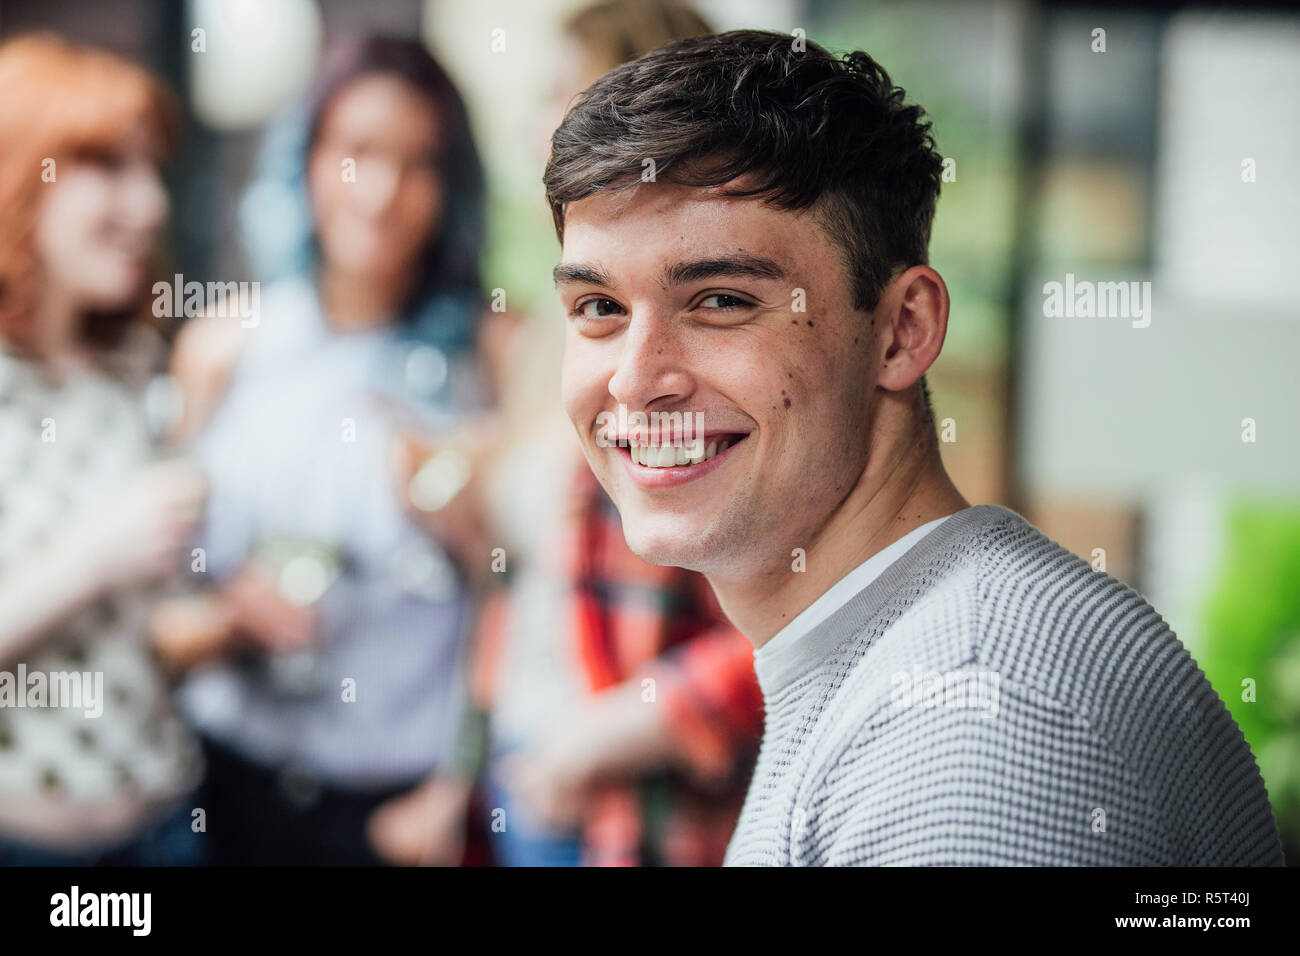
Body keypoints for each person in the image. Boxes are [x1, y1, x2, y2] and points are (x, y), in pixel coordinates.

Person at [543, 29, 1286, 866]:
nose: (636, 380)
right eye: (599, 307)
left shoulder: (975, 724)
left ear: (903, 331)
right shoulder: (912, 654)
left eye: (719, 300)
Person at [367, 0, 763, 868]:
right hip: (519, 776)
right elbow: (520, 587)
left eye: (561, 92)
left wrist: (628, 727)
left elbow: (801, 606)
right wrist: (459, 779)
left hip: (638, 803)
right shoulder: (554, 329)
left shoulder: (715, 341)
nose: (538, 123)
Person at [154, 35, 491, 865]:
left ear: (450, 190)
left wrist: (453, 791)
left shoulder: (492, 357)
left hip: (393, 813)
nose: (380, 192)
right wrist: (231, 618)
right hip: (220, 790)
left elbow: (521, 601)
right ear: (304, 162)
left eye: (419, 163)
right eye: (356, 153)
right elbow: (156, 599)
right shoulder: (223, 345)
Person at [0, 34, 205, 865]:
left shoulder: (137, 365)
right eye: (110, 167)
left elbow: (148, 635)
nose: (150, 204)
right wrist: (92, 555)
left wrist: (223, 619)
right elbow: (104, 564)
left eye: (151, 170)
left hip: (163, 824)